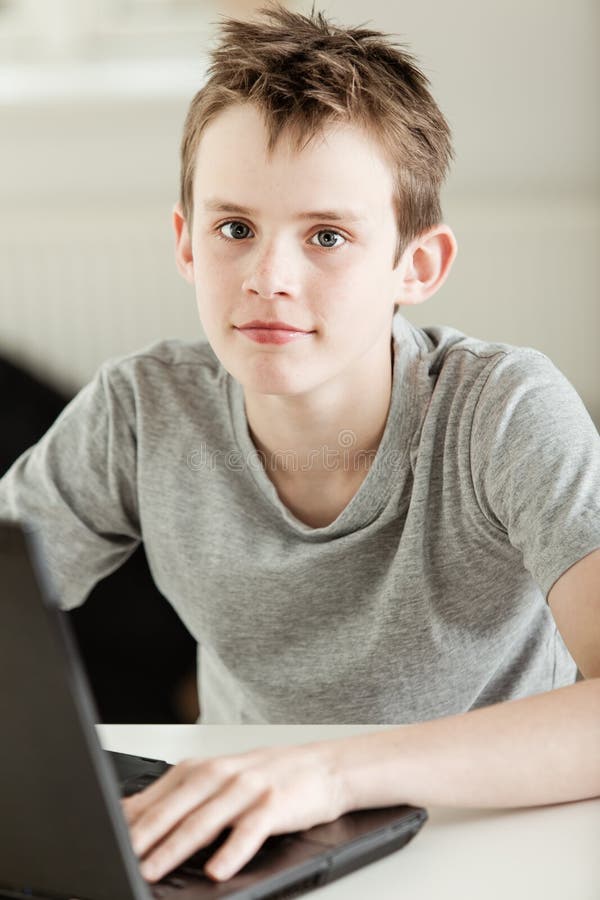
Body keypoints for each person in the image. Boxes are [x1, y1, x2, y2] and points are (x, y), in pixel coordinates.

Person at [1, 2, 599, 887]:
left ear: (417, 266)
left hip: (489, 835)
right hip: (249, 845)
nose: (268, 279)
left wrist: (328, 772)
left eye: (327, 237)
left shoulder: (502, 408)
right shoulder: (140, 409)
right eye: (234, 228)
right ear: (186, 243)